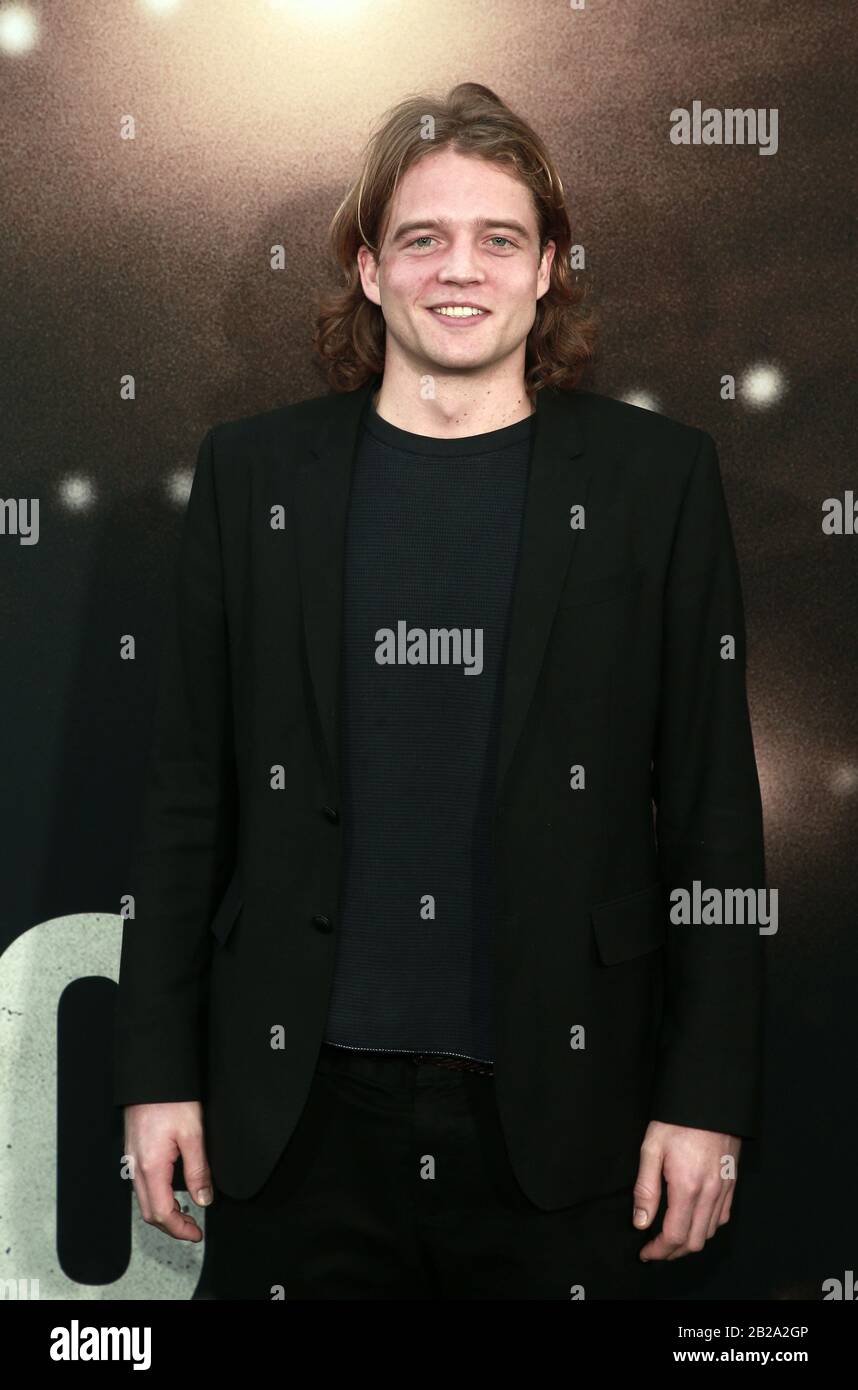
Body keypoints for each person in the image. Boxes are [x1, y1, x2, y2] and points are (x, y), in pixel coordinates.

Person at [114, 82, 766, 1300]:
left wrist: (709, 1097)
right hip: (295, 1116)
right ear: (368, 269)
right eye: (422, 238)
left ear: (548, 269)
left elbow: (715, 815)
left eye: (498, 238)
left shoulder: (655, 482)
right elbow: (187, 799)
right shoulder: (255, 475)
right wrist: (157, 1070)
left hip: (568, 1122)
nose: (457, 270)